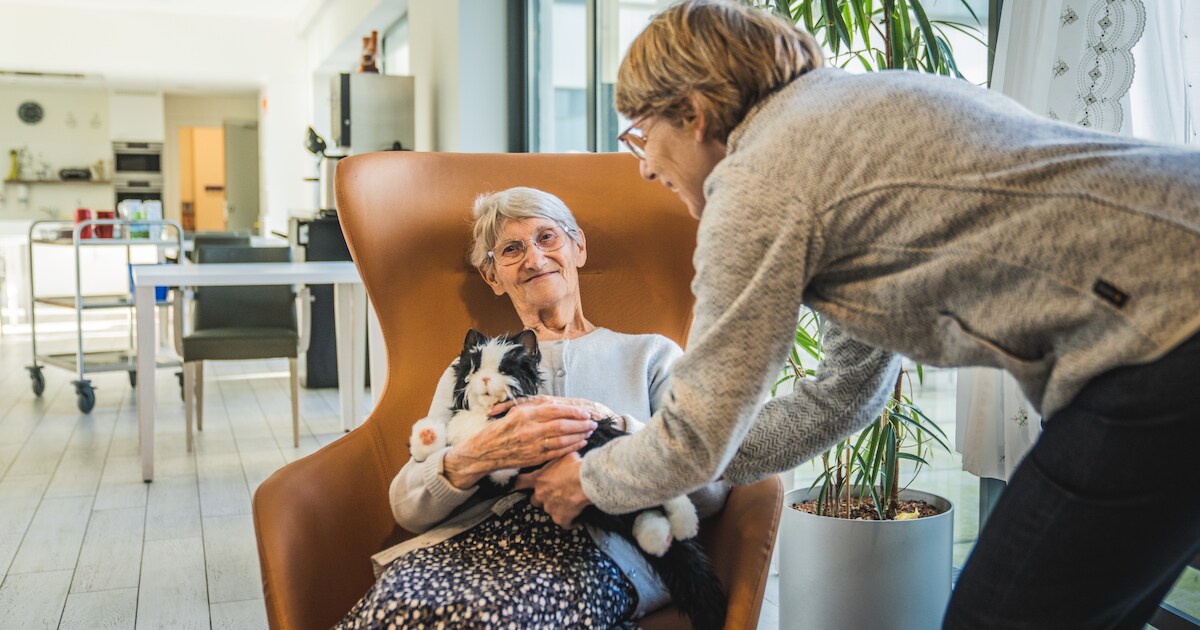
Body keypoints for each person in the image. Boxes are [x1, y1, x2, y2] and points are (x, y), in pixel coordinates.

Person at [520, 1, 1200, 628]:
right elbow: (845, 395)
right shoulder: (841, 121)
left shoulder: (759, 180)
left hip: (1159, 331)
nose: (641, 167)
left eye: (640, 134)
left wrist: (590, 477)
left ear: (693, 113)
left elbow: (700, 432)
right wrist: (669, 454)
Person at [336, 186, 730, 629]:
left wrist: (613, 424)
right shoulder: (471, 368)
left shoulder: (651, 356)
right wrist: (475, 457)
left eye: (547, 238)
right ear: (492, 277)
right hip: (468, 549)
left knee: (487, 619)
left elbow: (710, 490)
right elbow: (407, 505)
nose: (534, 259)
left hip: (601, 550)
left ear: (577, 247)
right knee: (392, 612)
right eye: (511, 249)